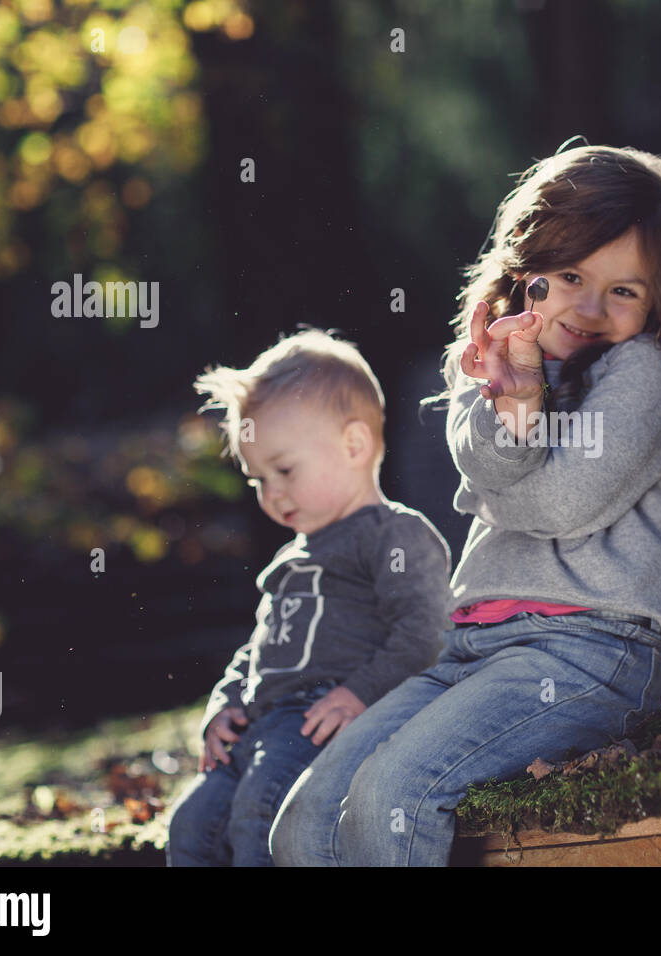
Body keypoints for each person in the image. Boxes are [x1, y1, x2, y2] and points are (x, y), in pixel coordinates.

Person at [270, 142, 661, 866]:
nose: (589, 307)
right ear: (526, 269)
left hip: (592, 651)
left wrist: (515, 430)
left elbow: (558, 505)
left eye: (624, 291)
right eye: (568, 276)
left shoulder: (642, 372)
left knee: (392, 796)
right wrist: (519, 396)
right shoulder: (495, 359)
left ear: (658, 301)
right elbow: (477, 464)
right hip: (471, 649)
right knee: (305, 821)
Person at [165, 329, 452, 865]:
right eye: (257, 480)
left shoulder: (392, 535)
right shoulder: (289, 562)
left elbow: (424, 630)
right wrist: (225, 703)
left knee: (260, 816)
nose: (272, 493)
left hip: (320, 722)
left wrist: (359, 693)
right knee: (192, 824)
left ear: (353, 445)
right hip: (258, 725)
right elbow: (258, 649)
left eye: (285, 470)